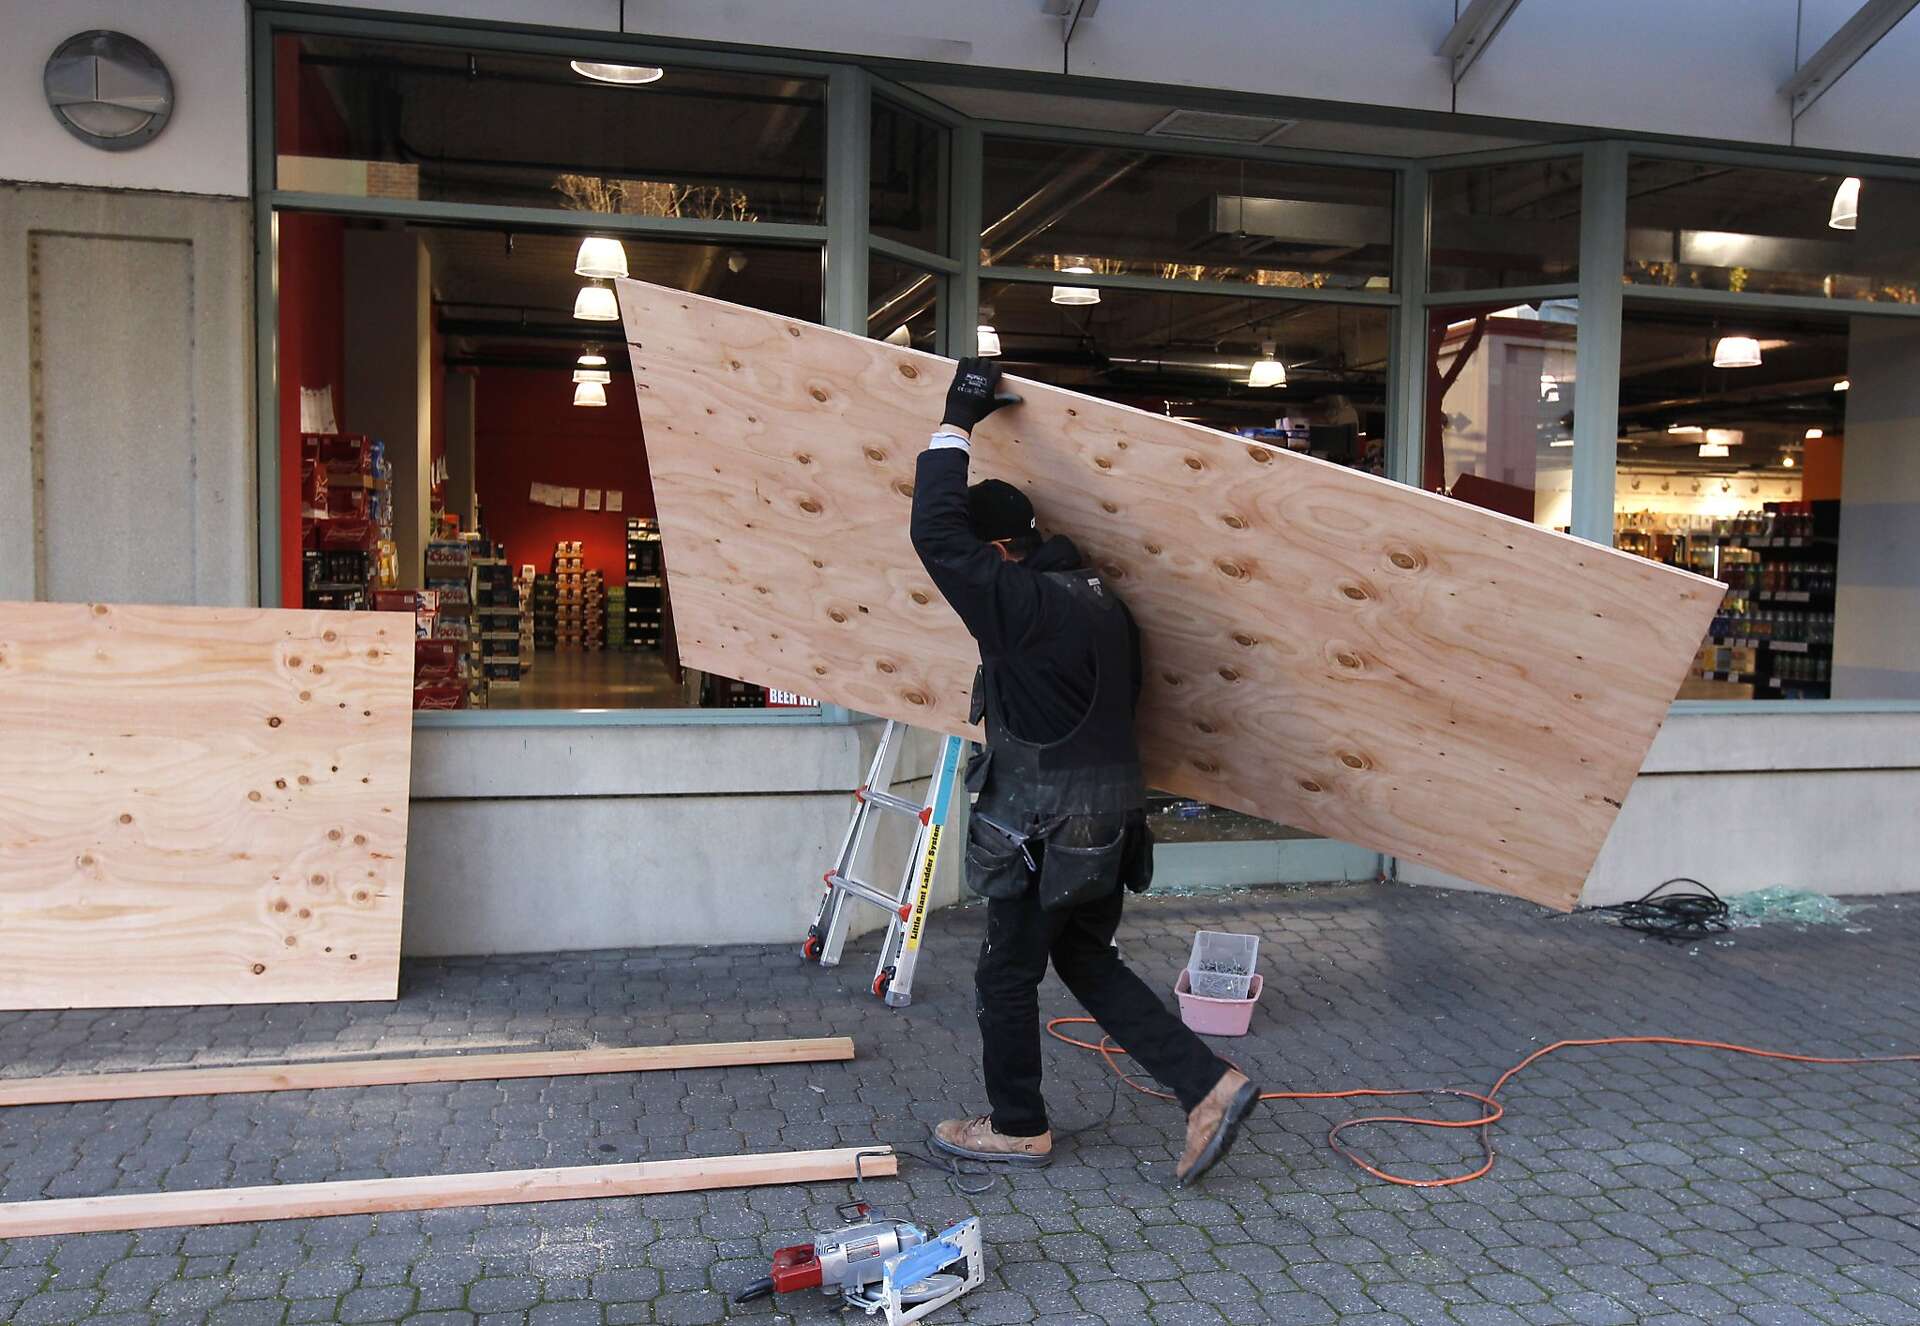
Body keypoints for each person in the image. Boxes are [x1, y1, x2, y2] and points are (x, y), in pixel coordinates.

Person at [909, 356, 1259, 1188]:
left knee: (1005, 972)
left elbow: (933, 533)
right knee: (1088, 961)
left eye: (980, 557)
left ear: (999, 551)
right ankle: (1209, 1085)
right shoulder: (1103, 599)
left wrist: (954, 421)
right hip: (1110, 820)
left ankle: (1019, 1126)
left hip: (1043, 829)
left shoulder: (1020, 603)